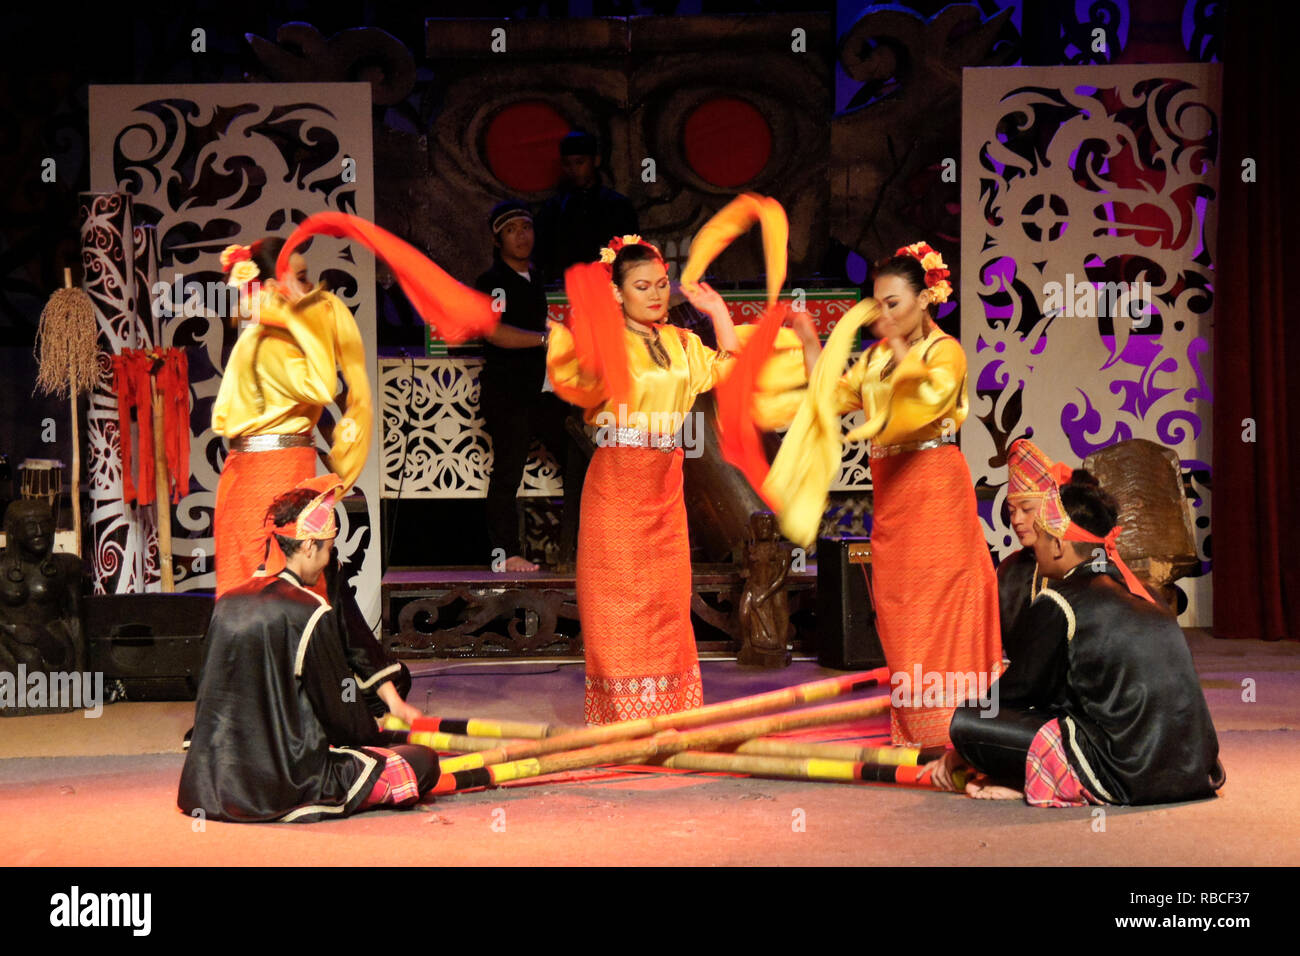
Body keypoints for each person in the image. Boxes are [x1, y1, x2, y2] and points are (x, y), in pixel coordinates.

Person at [764, 242, 1001, 749]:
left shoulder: (945, 352)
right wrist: (810, 338)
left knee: (941, 602)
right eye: (878, 305)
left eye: (893, 303)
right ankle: (918, 723)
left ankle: (956, 725)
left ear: (925, 300)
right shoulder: (874, 359)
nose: (883, 314)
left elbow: (920, 402)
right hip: (893, 493)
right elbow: (830, 391)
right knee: (900, 605)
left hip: (935, 486)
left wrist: (893, 345)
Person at [934, 474, 1224, 806]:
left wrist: (964, 751)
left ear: (1059, 544)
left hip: (1125, 770)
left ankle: (1035, 777)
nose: (1035, 545)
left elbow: (1014, 694)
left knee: (970, 720)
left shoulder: (1060, 600)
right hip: (1192, 766)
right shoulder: (1149, 595)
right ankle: (1028, 772)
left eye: (1041, 535)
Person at [178, 476, 439, 822]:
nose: (331, 554)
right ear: (307, 546)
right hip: (283, 782)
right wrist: (375, 740)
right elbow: (337, 709)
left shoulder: (227, 603)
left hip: (208, 783)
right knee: (421, 762)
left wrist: (391, 706)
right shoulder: (309, 612)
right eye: (329, 546)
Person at [211, 238, 371, 599]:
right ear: (271, 289)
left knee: (299, 577)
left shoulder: (278, 337)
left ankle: (342, 652)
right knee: (270, 585)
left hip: (281, 470)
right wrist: (291, 318)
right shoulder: (271, 343)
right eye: (301, 278)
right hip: (266, 478)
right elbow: (321, 386)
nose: (312, 289)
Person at [474, 200, 580, 571]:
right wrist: (544, 340)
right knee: (507, 471)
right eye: (512, 230)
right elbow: (495, 332)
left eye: (526, 227)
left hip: (540, 393)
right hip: (508, 393)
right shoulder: (492, 283)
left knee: (578, 456)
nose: (522, 236)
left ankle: (580, 546)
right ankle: (506, 555)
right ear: (497, 238)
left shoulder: (534, 278)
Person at [533, 131, 639, 280]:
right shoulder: (552, 209)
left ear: (595, 161)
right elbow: (542, 256)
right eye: (567, 164)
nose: (573, 169)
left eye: (579, 162)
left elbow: (631, 255)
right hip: (565, 291)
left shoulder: (618, 206)